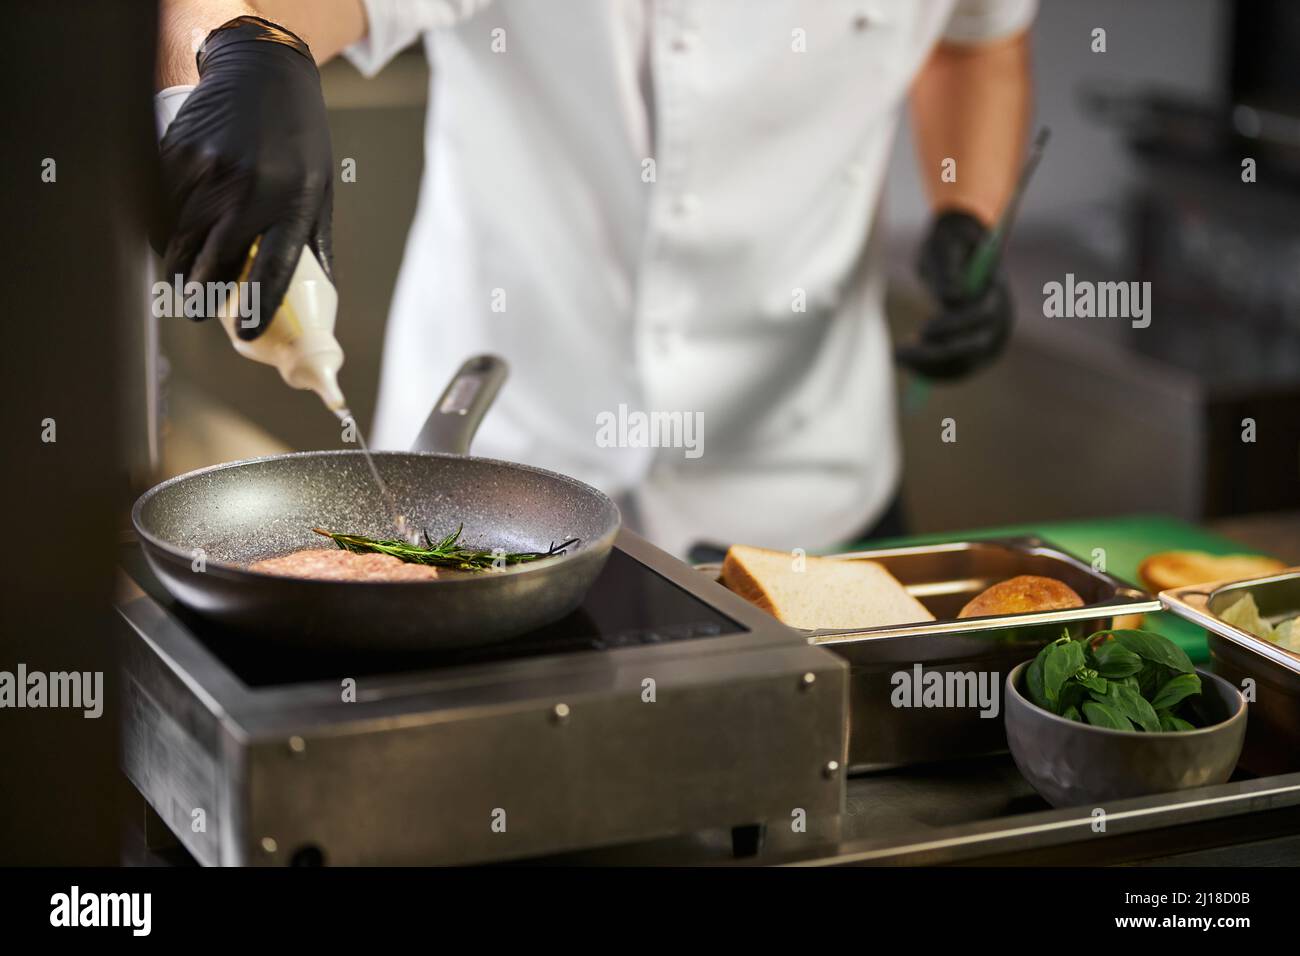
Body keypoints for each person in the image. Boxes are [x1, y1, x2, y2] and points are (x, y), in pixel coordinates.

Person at [155, 0, 1034, 559]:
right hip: (485, 481)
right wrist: (244, 50)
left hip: (805, 469)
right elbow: (227, 9)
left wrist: (970, 210)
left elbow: (977, 45)